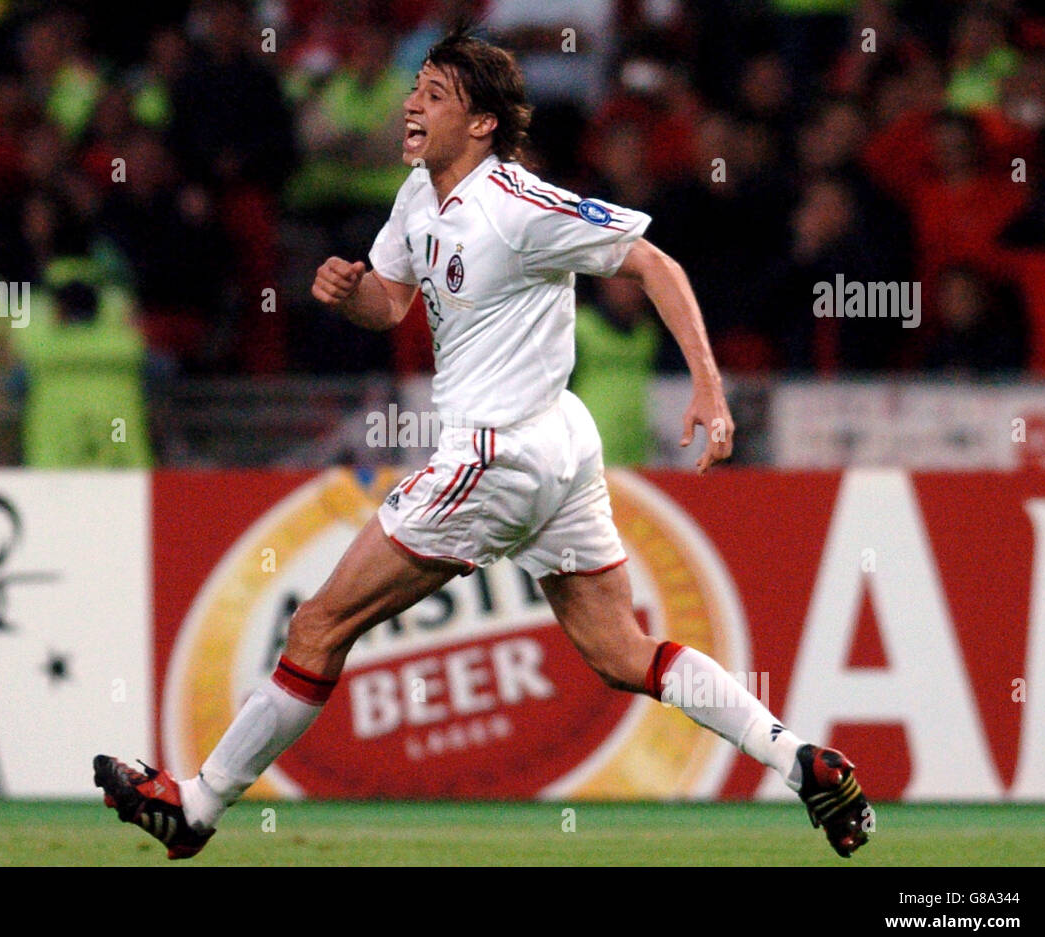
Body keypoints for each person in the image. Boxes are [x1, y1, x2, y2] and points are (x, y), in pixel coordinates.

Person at [95, 29, 871, 861]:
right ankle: (801, 761)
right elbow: (391, 304)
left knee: (318, 626)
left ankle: (197, 806)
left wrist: (709, 390)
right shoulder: (416, 198)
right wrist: (350, 292)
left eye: (433, 92)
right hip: (558, 447)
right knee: (617, 651)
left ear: (484, 123)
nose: (411, 103)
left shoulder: (519, 205)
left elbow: (653, 265)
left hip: (493, 455)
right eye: (415, 87)